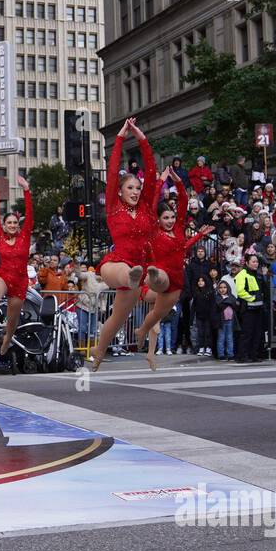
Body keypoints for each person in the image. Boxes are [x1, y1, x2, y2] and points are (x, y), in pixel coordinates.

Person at [88, 118, 170, 370]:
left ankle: (99, 353)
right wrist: (121, 137)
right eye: (130, 188)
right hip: (115, 265)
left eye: (138, 188)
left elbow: (153, 171)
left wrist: (142, 139)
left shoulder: (146, 208)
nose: (135, 191)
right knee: (126, 272)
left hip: (140, 268)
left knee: (116, 319)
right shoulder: (113, 207)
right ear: (120, 191)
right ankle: (137, 277)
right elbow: (113, 171)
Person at [133, 167, 214, 368]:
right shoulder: (155, 232)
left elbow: (183, 244)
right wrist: (160, 182)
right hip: (156, 278)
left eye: (171, 217)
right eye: (165, 218)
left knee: (156, 316)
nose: (169, 221)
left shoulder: (178, 230)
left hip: (174, 281)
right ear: (158, 219)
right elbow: (152, 205)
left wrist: (198, 236)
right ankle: (152, 276)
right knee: (158, 290)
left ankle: (150, 353)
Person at [0, 173, 32, 362]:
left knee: (13, 318)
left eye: (14, 223)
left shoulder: (24, 236)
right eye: (8, 223)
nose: (12, 225)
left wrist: (26, 190)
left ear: (18, 225)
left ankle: (8, 338)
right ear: (3, 226)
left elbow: (30, 214)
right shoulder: (0, 236)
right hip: (3, 275)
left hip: (20, 281)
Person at [233, 253, 267, 363]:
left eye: (257, 262)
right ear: (247, 263)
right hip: (247, 309)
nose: (256, 264)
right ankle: (243, 355)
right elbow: (240, 291)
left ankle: (254, 355)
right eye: (253, 261)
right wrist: (252, 299)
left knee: (257, 333)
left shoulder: (258, 274)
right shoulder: (242, 274)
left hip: (258, 308)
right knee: (247, 333)